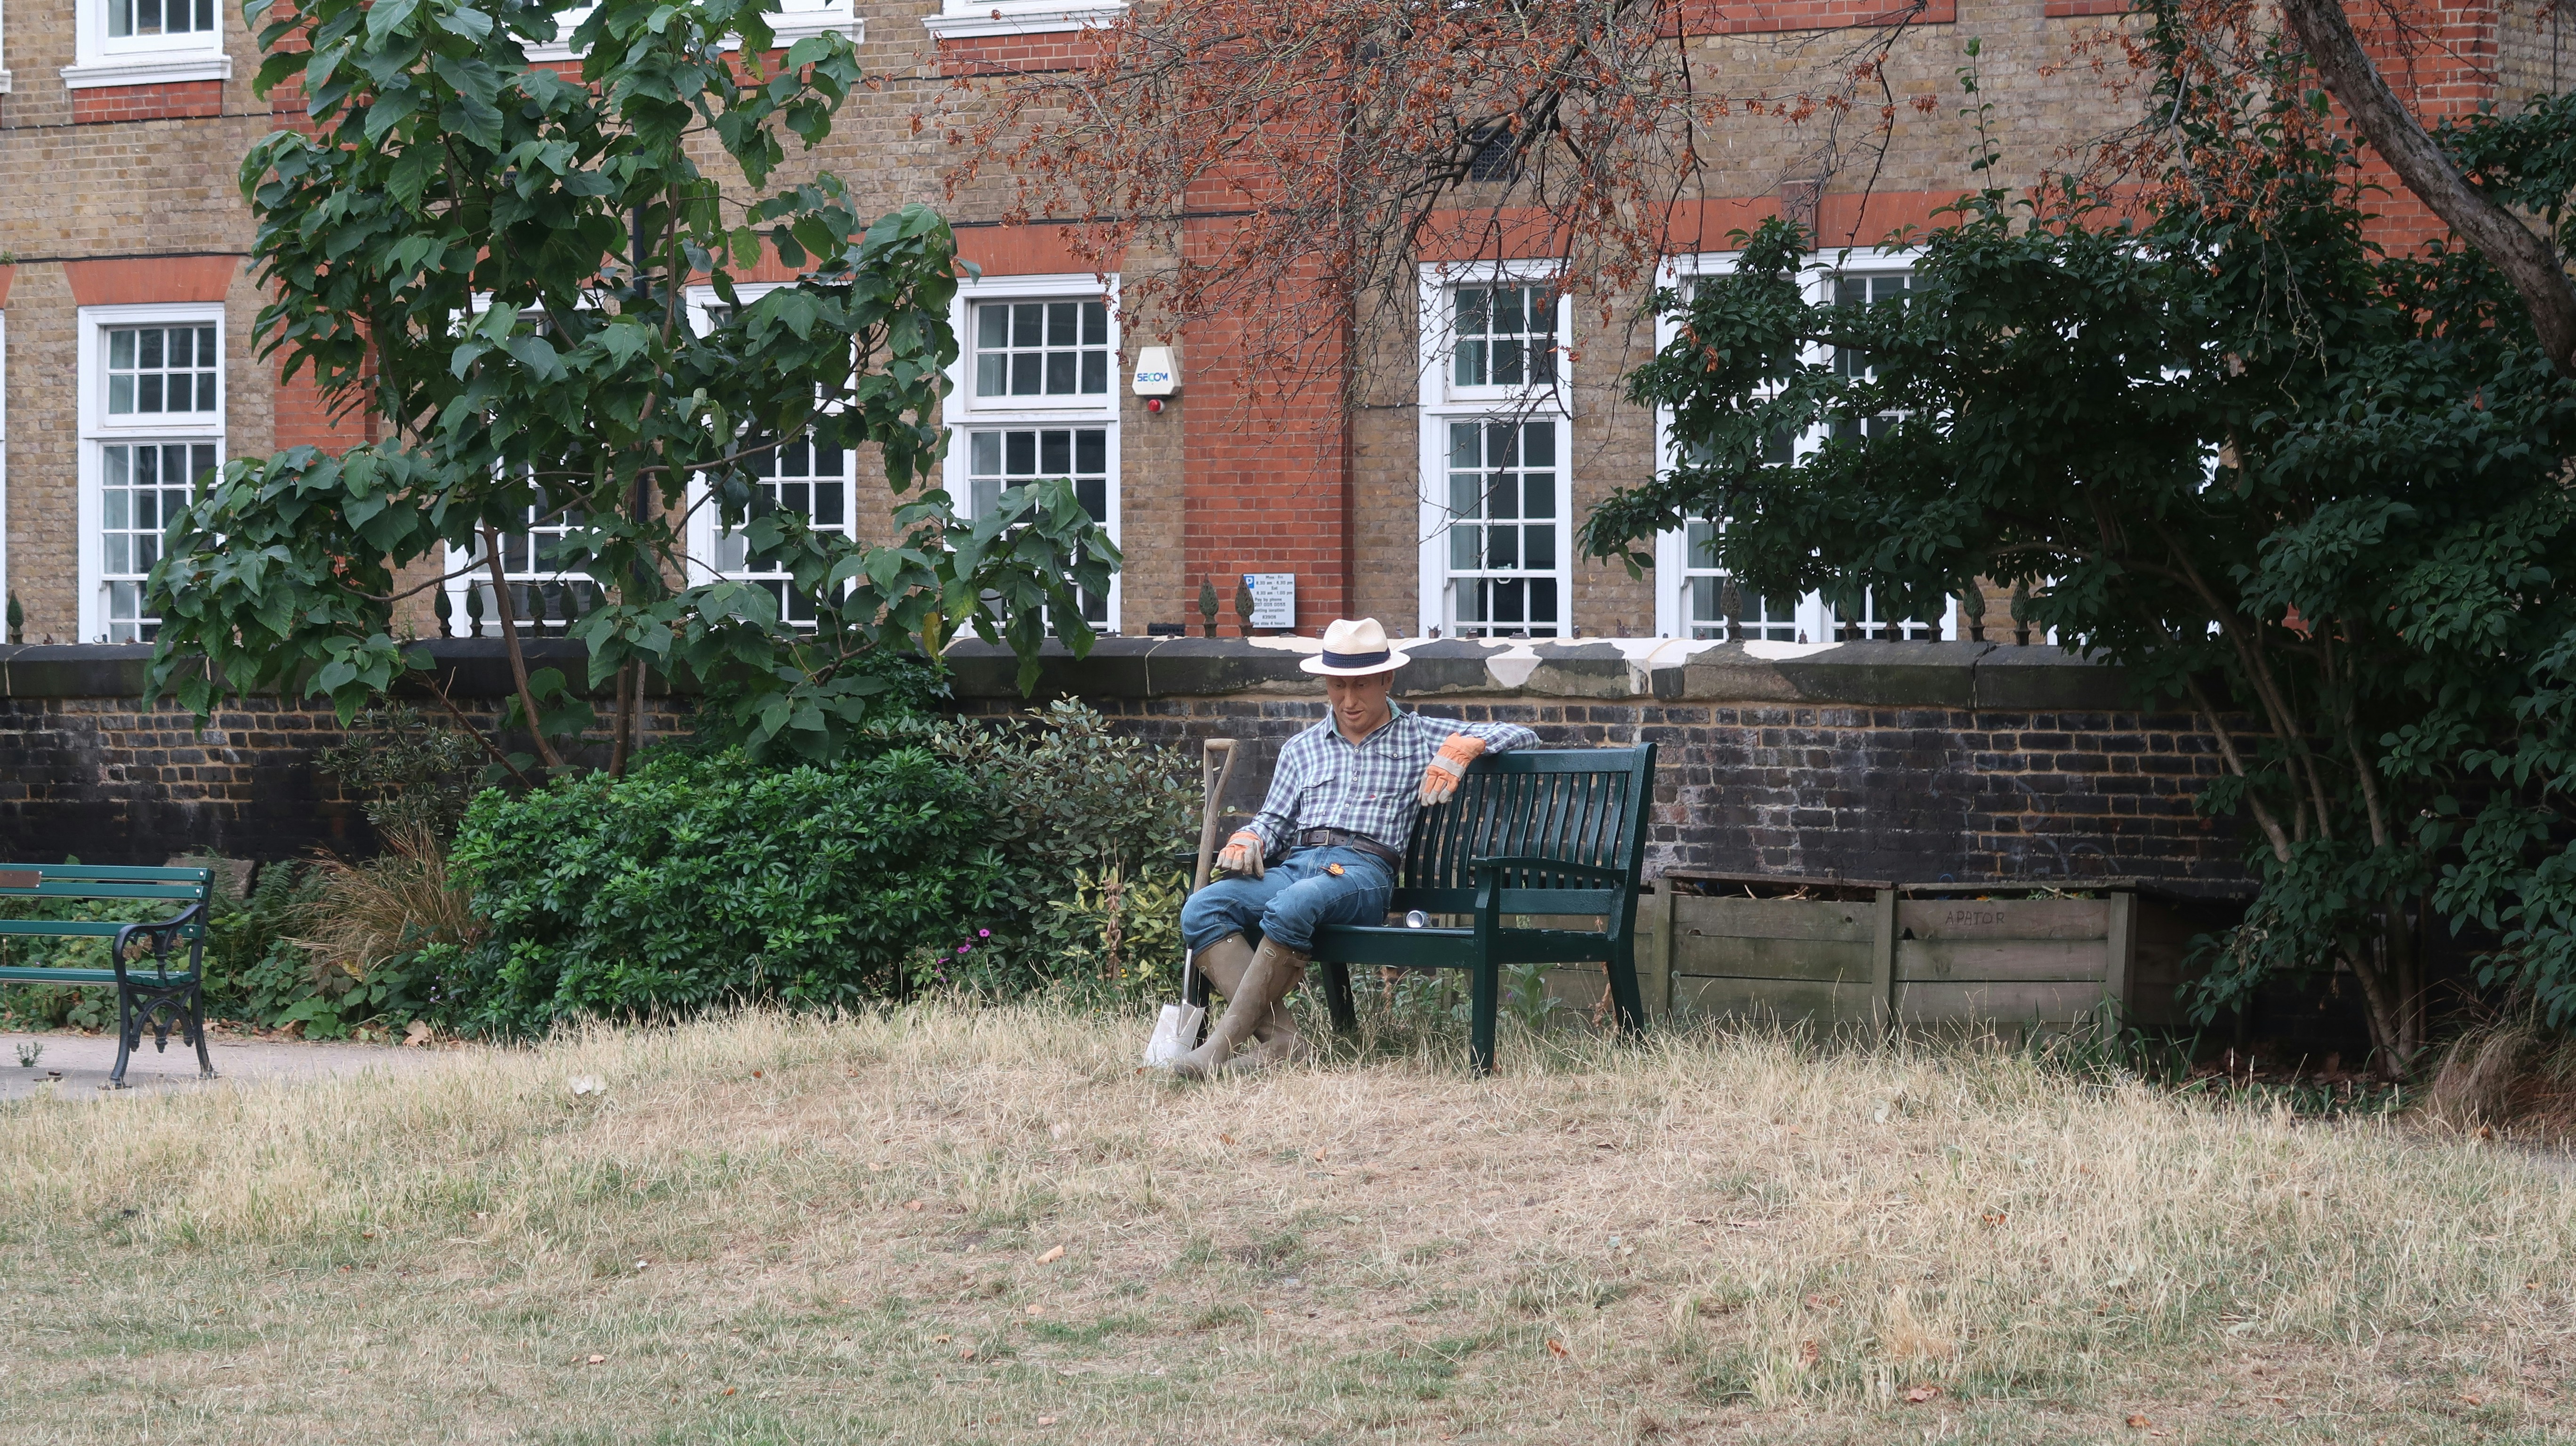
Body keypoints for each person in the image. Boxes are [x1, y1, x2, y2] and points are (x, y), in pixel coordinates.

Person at [1172, 618, 1539, 1078]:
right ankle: (1283, 1042)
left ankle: (1218, 1048)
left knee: (1295, 903)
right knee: (1203, 908)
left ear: (1387, 679)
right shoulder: (1301, 748)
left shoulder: (1419, 736)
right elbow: (1275, 821)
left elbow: (1524, 735)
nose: (1349, 701)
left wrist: (1465, 745)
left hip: (1363, 873)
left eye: (1361, 686)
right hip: (1299, 865)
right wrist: (1251, 836)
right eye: (1338, 686)